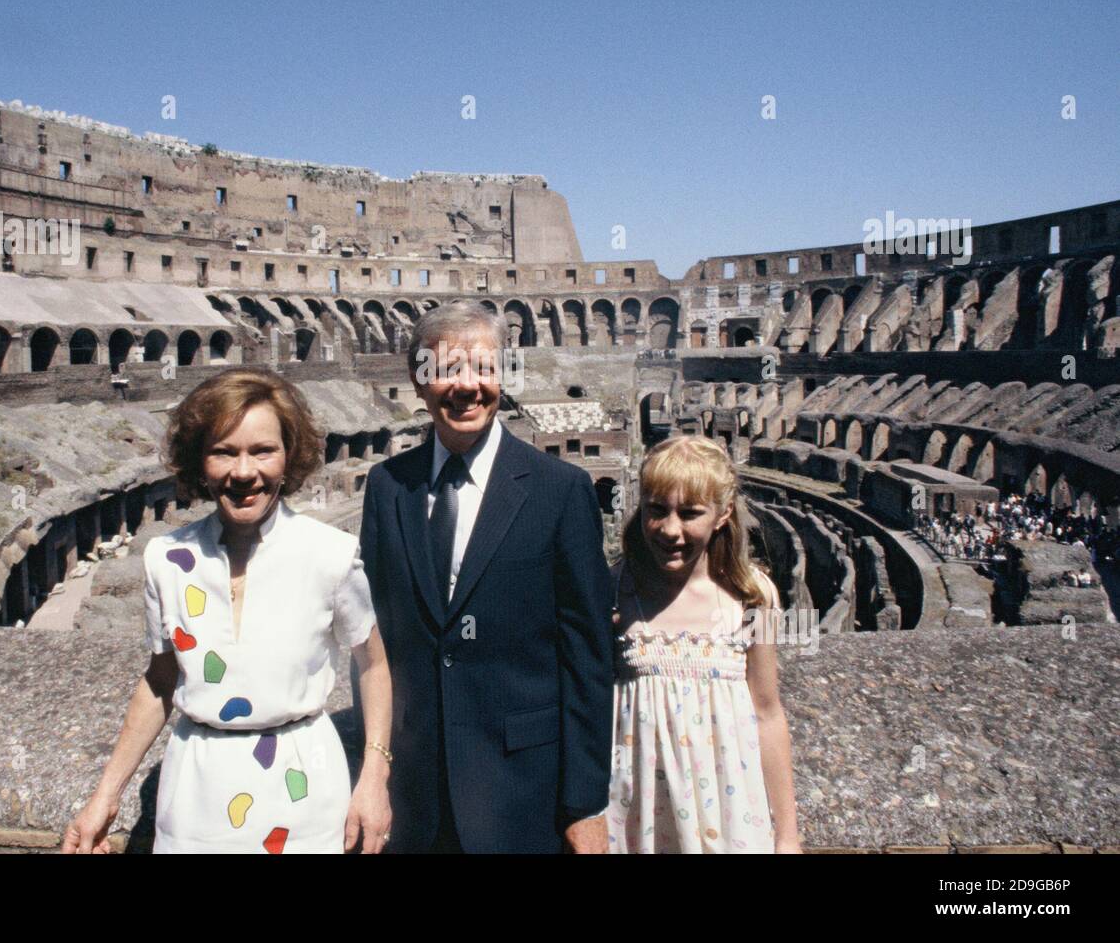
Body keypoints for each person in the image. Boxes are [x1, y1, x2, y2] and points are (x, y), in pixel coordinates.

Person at [63, 369, 393, 853]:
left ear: (288, 456)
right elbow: (160, 681)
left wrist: (374, 776)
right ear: (200, 461)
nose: (243, 472)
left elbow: (374, 664)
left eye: (262, 450)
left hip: (304, 787)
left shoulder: (331, 555)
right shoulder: (166, 559)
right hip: (197, 792)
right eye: (223, 451)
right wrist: (104, 796)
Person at [359, 302, 614, 853]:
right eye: (448, 369)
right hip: (415, 796)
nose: (468, 386)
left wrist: (586, 803)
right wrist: (372, 768)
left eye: (484, 368)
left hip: (525, 792)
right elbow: (375, 644)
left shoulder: (560, 490)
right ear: (419, 381)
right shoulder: (386, 487)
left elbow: (588, 656)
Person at [607, 435, 801, 853]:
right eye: (656, 510)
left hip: (728, 813)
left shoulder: (754, 599)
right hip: (638, 813)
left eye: (690, 513)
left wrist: (787, 836)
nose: (670, 529)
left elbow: (767, 713)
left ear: (723, 514)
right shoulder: (614, 592)